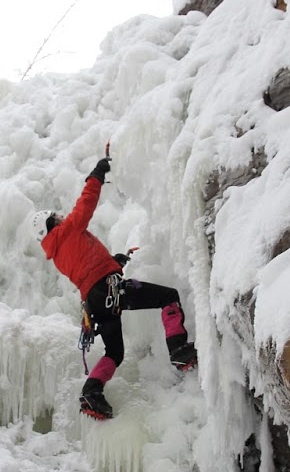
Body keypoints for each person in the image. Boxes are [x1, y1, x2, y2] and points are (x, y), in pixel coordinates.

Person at [37, 155, 197, 419]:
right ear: (51, 225)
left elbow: (89, 268)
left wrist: (114, 263)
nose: (61, 216)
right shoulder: (66, 231)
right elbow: (85, 204)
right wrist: (97, 173)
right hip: (109, 290)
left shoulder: (57, 253)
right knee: (169, 297)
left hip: (96, 300)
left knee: (115, 352)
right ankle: (179, 350)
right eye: (56, 216)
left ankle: (91, 392)